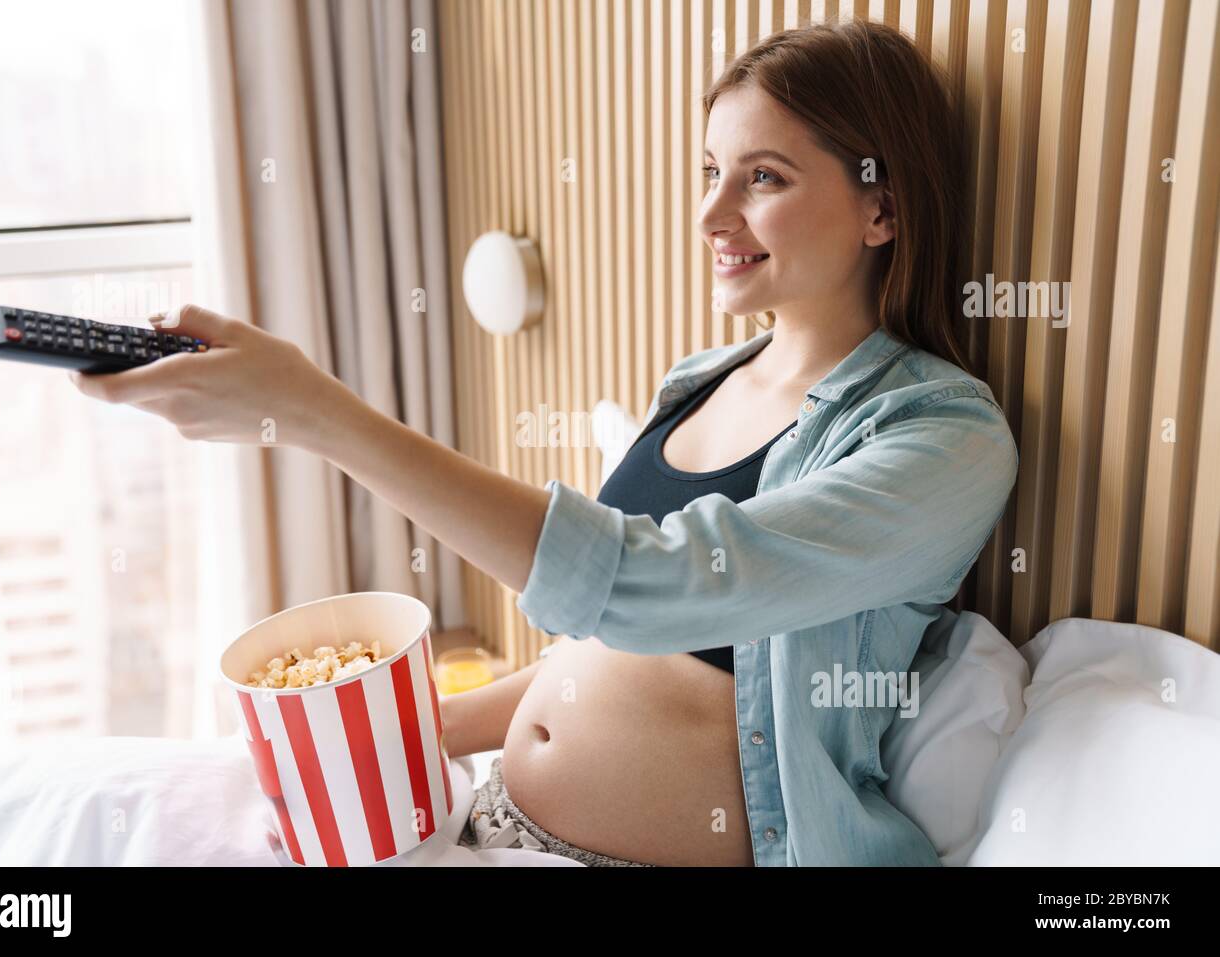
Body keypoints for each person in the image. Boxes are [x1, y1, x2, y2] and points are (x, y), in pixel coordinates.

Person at [71, 19, 1018, 867]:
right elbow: (598, 651)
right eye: (709, 170)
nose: (709, 213)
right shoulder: (699, 381)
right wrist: (409, 739)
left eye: (762, 176)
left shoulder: (941, 439)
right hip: (489, 820)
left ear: (880, 208)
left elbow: (659, 586)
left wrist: (323, 414)